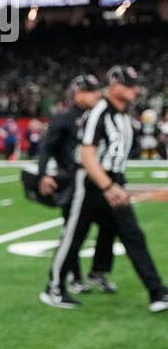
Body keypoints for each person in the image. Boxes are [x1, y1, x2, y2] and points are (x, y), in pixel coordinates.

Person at [43, 65, 168, 313]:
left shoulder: (123, 115)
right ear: (114, 86)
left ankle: (157, 292)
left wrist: (116, 184)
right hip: (90, 183)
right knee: (73, 236)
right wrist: (108, 186)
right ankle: (54, 288)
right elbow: (86, 154)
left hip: (113, 181)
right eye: (129, 85)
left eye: (135, 84)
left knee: (132, 235)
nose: (135, 89)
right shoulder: (99, 112)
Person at [37, 74, 116, 304]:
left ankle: (97, 271)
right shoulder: (64, 118)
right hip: (73, 182)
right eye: (91, 91)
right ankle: (73, 277)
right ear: (78, 93)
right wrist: (43, 174)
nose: (97, 95)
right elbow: (46, 148)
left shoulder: (98, 115)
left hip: (97, 181)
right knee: (73, 233)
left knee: (110, 225)